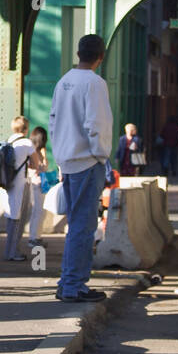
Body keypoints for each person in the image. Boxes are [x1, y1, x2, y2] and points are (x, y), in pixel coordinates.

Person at [48, 33, 113, 302]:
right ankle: (74, 285)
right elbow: (95, 124)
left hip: (68, 161)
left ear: (78, 53)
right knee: (84, 227)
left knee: (76, 225)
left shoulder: (64, 81)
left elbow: (53, 122)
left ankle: (69, 282)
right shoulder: (94, 84)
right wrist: (102, 156)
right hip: (87, 161)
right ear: (101, 57)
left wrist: (60, 157)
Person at [1, 115, 36, 261]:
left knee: (11, 218)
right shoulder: (27, 143)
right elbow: (36, 163)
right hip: (21, 184)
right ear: (26, 128)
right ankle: (13, 252)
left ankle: (9, 250)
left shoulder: (8, 141)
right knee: (18, 219)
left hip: (8, 182)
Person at [26, 126, 49, 246]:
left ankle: (37, 236)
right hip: (35, 184)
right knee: (37, 211)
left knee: (41, 211)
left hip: (41, 183)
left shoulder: (38, 151)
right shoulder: (32, 152)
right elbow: (38, 168)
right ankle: (33, 237)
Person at [160, 114, 178, 179]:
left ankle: (165, 170)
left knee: (166, 157)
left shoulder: (166, 127)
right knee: (174, 159)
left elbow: (162, 135)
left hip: (167, 144)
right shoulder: (177, 127)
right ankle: (173, 170)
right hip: (175, 145)